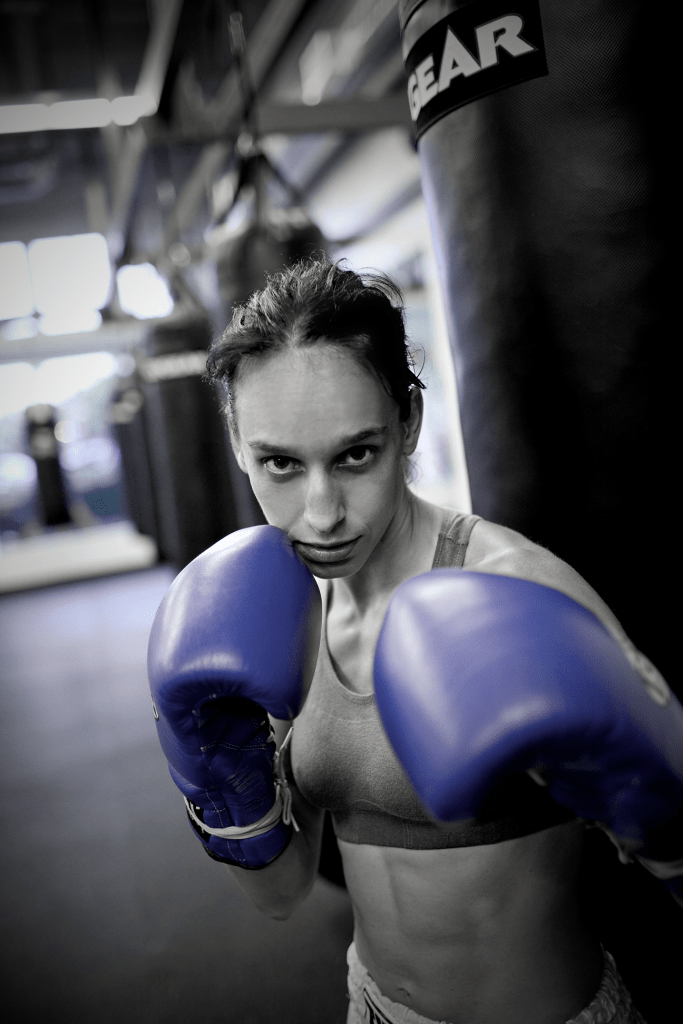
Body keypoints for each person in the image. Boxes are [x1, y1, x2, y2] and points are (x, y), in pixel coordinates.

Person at [148, 257, 681, 1024]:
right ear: (237, 443)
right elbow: (284, 893)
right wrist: (231, 800)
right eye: (281, 464)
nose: (321, 513)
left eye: (354, 454)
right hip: (370, 1007)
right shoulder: (272, 613)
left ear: (408, 425)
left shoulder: (514, 584)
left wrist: (663, 821)